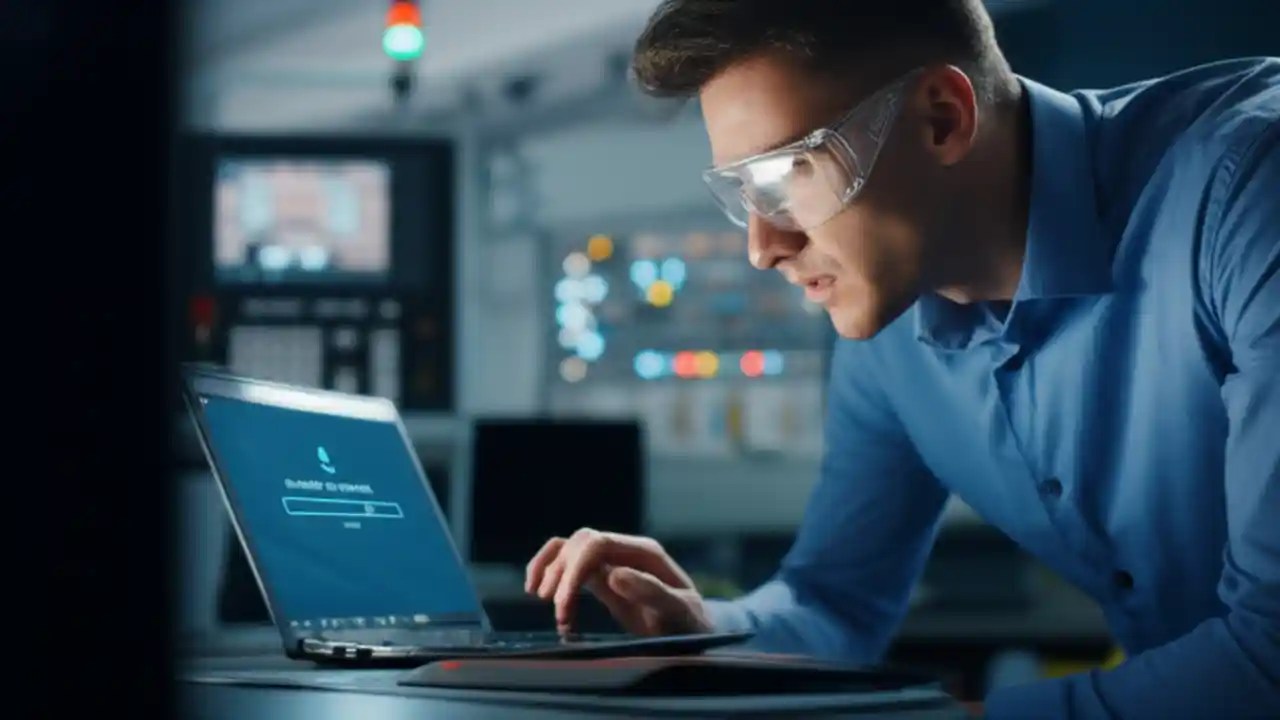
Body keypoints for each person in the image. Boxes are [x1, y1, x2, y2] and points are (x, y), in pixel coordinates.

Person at [524, 1, 1280, 717]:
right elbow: (833, 604)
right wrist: (702, 630)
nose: (763, 247)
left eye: (786, 176)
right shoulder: (887, 324)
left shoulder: (1249, 192)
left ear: (941, 118)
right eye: (740, 193)